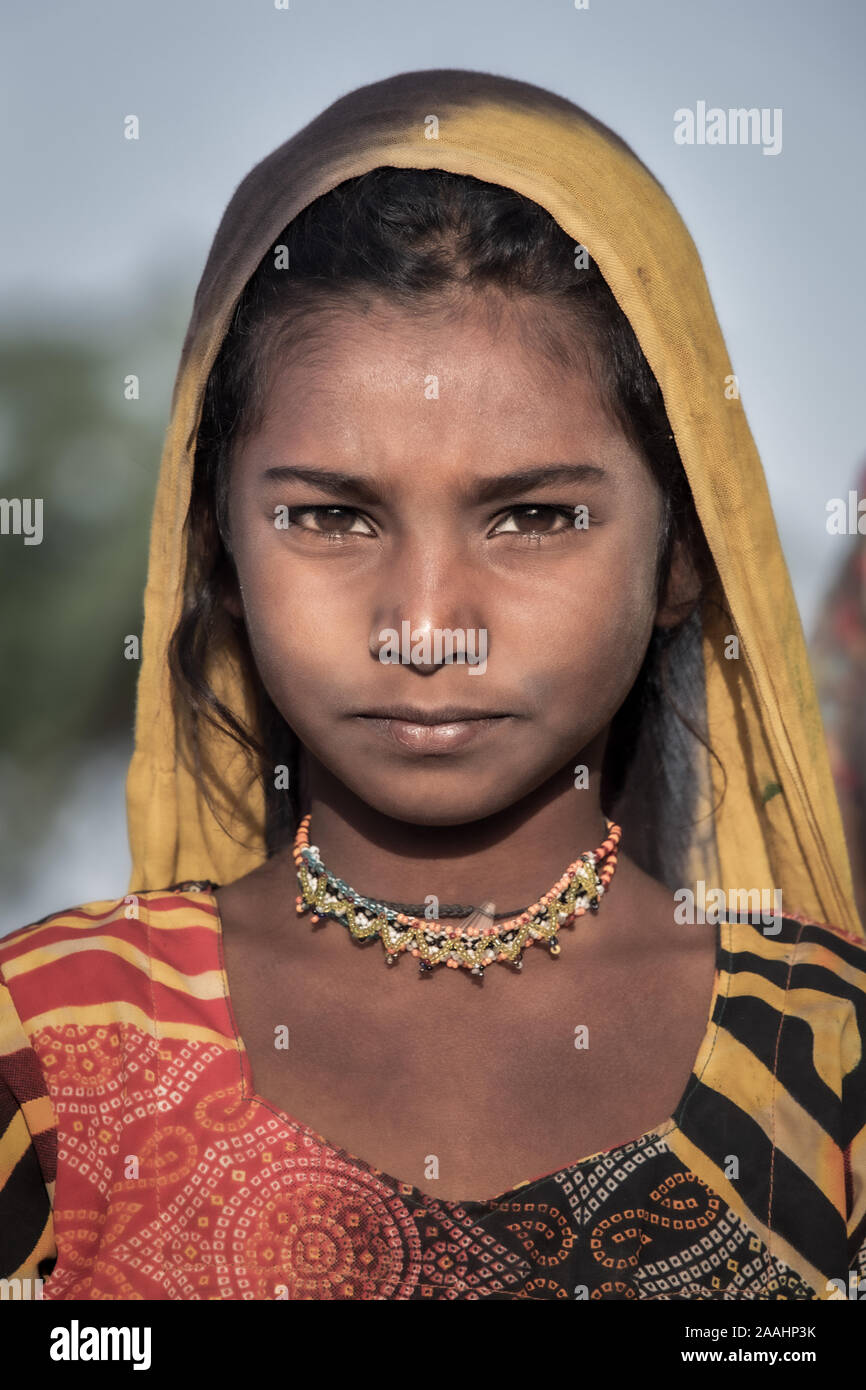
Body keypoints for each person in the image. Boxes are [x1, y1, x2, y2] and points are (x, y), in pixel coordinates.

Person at [2, 68, 864, 1302]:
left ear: (679, 553)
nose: (425, 628)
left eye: (530, 517)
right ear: (219, 556)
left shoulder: (827, 1063)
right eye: (331, 518)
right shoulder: (47, 1056)